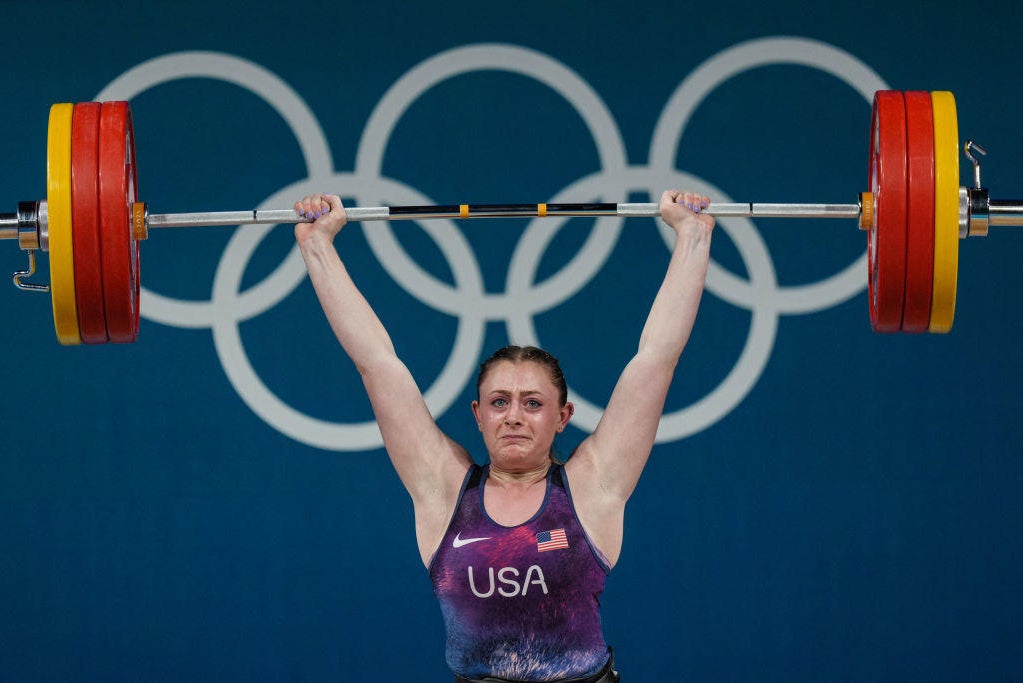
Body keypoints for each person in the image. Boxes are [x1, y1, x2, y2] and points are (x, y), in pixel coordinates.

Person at [294, 189, 714, 683]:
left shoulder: (593, 485)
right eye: (499, 402)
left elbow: (657, 358)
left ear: (563, 416)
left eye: (533, 403)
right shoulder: (443, 488)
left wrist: (692, 236)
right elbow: (376, 363)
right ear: (478, 414)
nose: (514, 416)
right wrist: (317, 245)